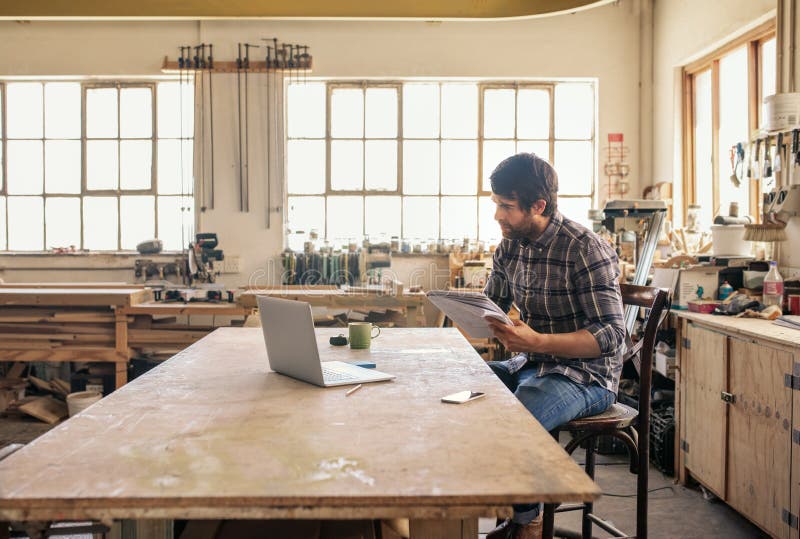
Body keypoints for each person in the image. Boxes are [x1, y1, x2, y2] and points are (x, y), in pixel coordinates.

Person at [482, 153, 625, 539]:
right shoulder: (510, 245)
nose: (498, 216)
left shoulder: (584, 248)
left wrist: (538, 340)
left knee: (520, 414)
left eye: (506, 207)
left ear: (539, 206)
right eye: (495, 204)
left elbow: (612, 336)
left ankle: (527, 521)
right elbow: (490, 302)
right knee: (468, 392)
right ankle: (513, 510)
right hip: (533, 363)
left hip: (587, 376)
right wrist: (471, 312)